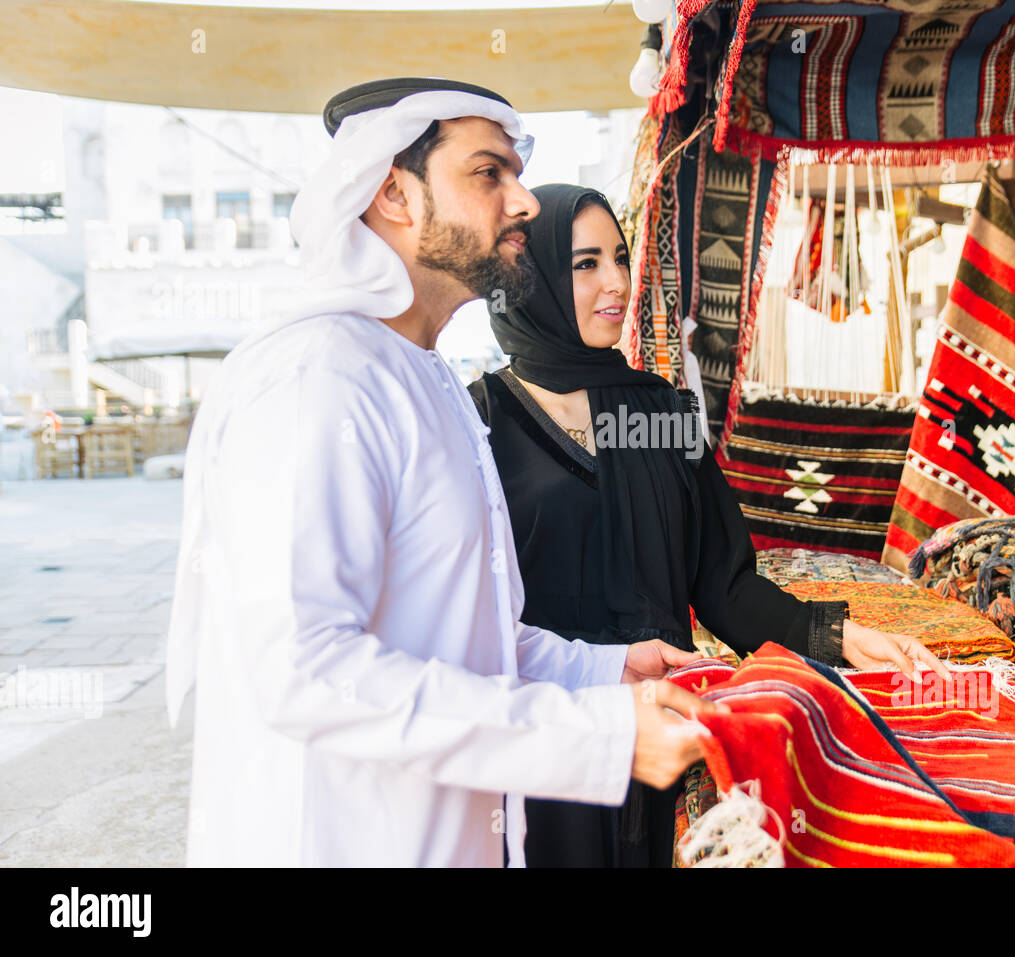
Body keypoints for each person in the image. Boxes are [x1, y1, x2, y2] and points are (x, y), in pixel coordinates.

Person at [164, 79, 717, 868]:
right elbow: (305, 667)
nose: (523, 201)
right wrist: (595, 734)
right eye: (489, 174)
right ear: (394, 193)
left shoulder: (424, 379)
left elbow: (458, 632)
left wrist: (605, 668)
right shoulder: (321, 378)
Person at [469, 184, 949, 867]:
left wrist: (843, 637)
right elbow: (472, 617)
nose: (616, 283)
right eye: (585, 264)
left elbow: (724, 584)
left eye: (620, 257)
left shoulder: (661, 412)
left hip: (667, 741)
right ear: (533, 275)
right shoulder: (480, 422)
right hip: (547, 750)